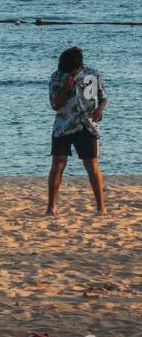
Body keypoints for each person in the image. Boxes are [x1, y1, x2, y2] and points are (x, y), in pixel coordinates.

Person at [47, 46, 106, 215]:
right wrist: (66, 88)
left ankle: (101, 207)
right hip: (63, 126)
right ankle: (51, 207)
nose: (68, 74)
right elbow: (55, 105)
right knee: (58, 164)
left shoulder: (93, 75)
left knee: (92, 165)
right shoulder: (57, 77)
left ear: (80, 66)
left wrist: (99, 109)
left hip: (86, 125)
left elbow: (104, 98)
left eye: (71, 71)